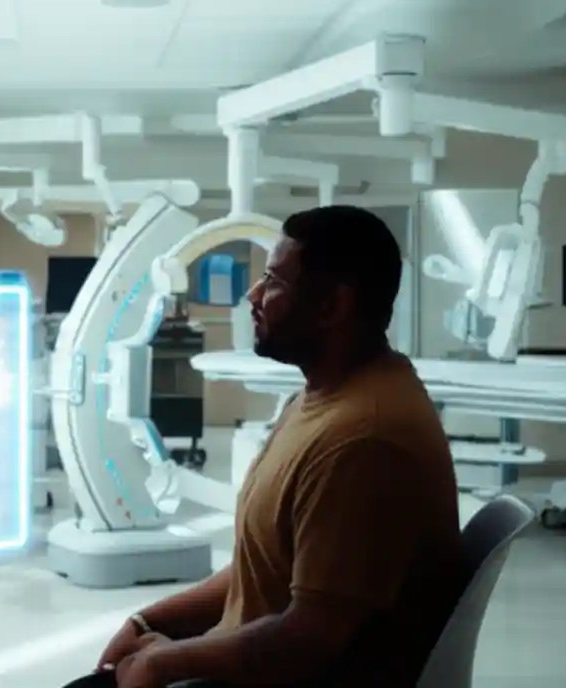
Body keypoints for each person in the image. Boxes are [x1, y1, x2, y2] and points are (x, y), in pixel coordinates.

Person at [70, 205, 466, 688]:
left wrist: (163, 663)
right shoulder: (321, 398)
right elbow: (264, 565)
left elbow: (308, 641)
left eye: (274, 281)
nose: (253, 295)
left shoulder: (364, 441)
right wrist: (149, 622)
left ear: (333, 306)